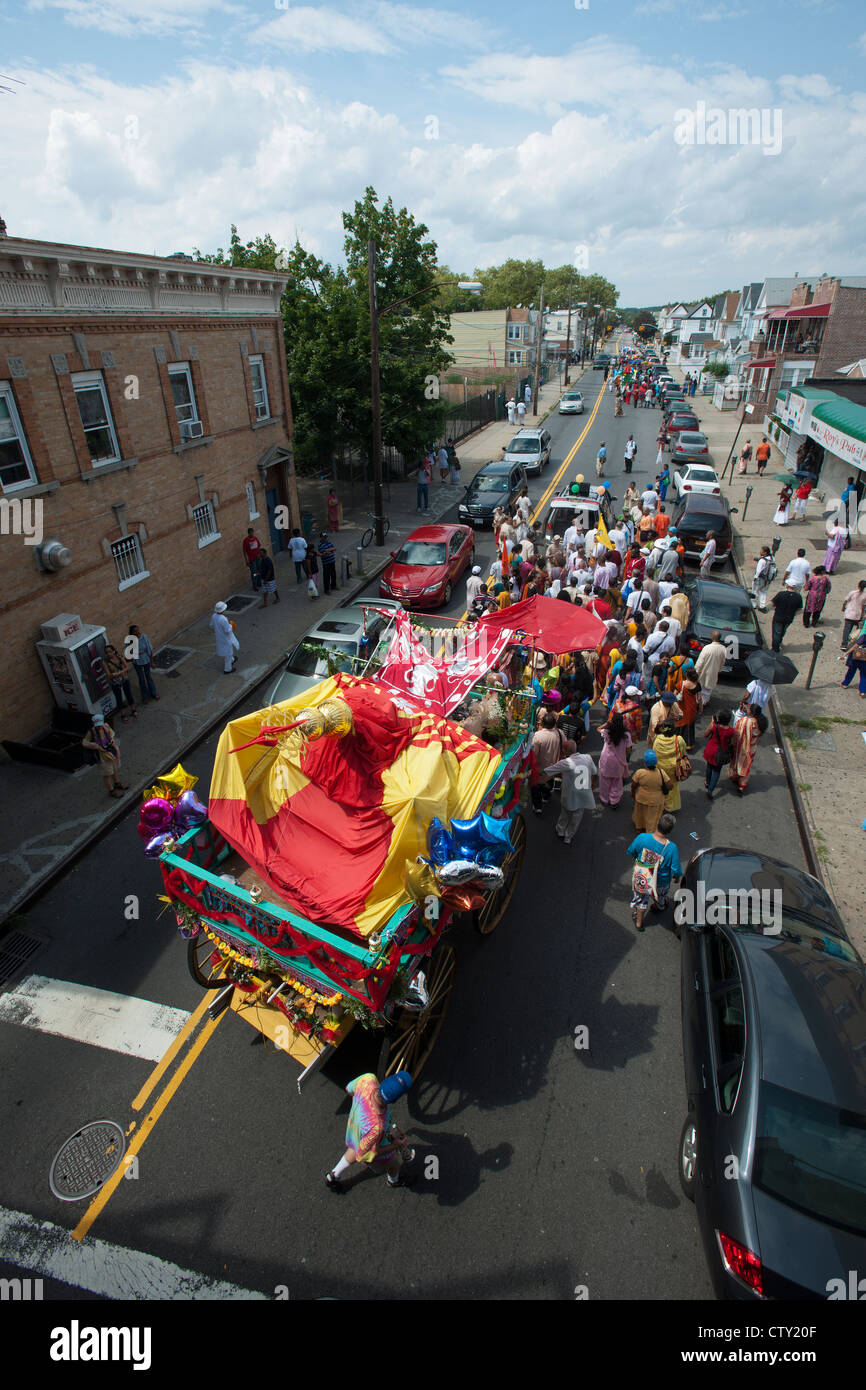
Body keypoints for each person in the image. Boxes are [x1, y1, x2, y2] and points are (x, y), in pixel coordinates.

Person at [325, 1071, 415, 1193]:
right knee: (395, 1162)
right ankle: (393, 1181)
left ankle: (334, 1175)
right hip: (370, 1142)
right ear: (394, 1100)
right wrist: (396, 1145)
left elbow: (348, 1089)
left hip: (355, 1130)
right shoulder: (376, 1127)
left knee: (355, 1147)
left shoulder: (368, 1080)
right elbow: (363, 1155)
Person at [627, 813, 682, 931]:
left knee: (641, 900)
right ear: (670, 831)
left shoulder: (642, 838)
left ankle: (639, 922)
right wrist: (677, 877)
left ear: (657, 823)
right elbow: (676, 869)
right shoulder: (671, 848)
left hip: (643, 878)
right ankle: (660, 905)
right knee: (660, 896)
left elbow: (631, 851)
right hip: (661, 882)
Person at [543, 730, 598, 845]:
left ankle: (560, 830)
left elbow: (548, 771)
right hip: (584, 793)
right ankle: (568, 836)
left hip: (569, 794)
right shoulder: (587, 758)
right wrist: (592, 784)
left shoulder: (566, 762)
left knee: (565, 813)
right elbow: (594, 772)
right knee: (576, 818)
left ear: (566, 751)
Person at [530, 711, 576, 815]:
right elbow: (564, 747)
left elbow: (534, 753)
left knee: (536, 786)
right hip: (554, 767)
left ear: (542, 724)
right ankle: (546, 797)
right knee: (548, 783)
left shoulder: (538, 735)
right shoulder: (560, 733)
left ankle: (538, 807)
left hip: (539, 768)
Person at [82, 715, 127, 798]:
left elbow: (111, 733)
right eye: (97, 725)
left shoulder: (106, 726)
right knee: (107, 773)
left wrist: (112, 740)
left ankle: (117, 783)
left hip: (110, 752)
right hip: (102, 755)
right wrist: (95, 746)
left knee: (114, 768)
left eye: (100, 724)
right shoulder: (91, 732)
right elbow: (84, 743)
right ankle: (111, 790)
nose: (99, 727)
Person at [630, 748, 673, 833]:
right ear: (656, 762)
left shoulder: (640, 772)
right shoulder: (661, 773)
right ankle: (650, 831)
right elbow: (670, 786)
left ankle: (639, 827)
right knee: (652, 817)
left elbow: (634, 785)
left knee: (640, 813)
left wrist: (632, 793)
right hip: (656, 801)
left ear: (645, 763)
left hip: (641, 798)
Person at [729, 704, 766, 794]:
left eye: (749, 709)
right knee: (746, 766)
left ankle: (736, 777)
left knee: (738, 761)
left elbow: (736, 731)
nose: (747, 710)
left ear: (751, 712)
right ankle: (742, 785)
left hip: (741, 747)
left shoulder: (745, 721)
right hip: (752, 748)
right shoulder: (761, 723)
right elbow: (758, 735)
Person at [652, 721, 688, 812]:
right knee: (673, 787)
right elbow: (683, 750)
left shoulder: (658, 740)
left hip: (661, 769)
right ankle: (670, 806)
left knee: (662, 786)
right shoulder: (679, 740)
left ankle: (661, 804)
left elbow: (655, 754)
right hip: (674, 769)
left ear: (663, 730)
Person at [598, 712, 632, 807]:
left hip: (606, 761)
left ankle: (604, 799)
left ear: (612, 721)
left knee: (605, 781)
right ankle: (614, 801)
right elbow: (629, 750)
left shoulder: (607, 731)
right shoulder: (626, 734)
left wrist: (607, 723)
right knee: (617, 782)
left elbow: (598, 728)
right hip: (619, 762)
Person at [100, 644, 138, 721]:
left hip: (124, 679)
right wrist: (118, 674)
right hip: (114, 682)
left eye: (110, 652)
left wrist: (118, 673)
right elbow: (109, 675)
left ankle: (133, 710)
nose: (108, 654)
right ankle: (123, 715)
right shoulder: (105, 662)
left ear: (114, 651)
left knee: (128, 694)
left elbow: (127, 667)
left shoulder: (119, 657)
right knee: (119, 698)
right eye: (106, 652)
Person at [703, 709, 735, 799]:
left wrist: (711, 722)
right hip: (721, 754)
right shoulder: (731, 731)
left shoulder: (713, 726)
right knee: (716, 772)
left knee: (709, 767)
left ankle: (707, 782)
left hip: (710, 751)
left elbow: (705, 735)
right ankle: (710, 790)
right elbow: (732, 743)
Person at [694, 630, 727, 708]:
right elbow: (722, 663)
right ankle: (703, 704)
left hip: (703, 673)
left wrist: (696, 672)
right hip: (713, 673)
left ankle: (698, 704)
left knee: (699, 689)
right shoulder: (723, 649)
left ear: (712, 637)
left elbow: (700, 663)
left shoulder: (707, 648)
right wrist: (718, 670)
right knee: (707, 691)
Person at [127, 625, 158, 702]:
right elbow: (128, 653)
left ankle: (154, 693)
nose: (137, 632)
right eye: (135, 631)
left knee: (148, 677)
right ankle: (145, 696)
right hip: (137, 662)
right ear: (131, 633)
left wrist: (152, 662)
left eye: (137, 630)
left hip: (145, 659)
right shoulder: (130, 640)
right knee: (141, 679)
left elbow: (149, 649)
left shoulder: (144, 637)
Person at [771, 583, 803, 651]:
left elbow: (772, 604)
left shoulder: (781, 594)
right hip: (789, 618)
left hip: (778, 617)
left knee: (776, 633)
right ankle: (779, 642)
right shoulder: (798, 597)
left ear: (787, 586)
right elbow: (799, 609)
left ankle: (775, 649)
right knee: (783, 631)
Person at [210, 600, 239, 673]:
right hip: (226, 638)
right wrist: (231, 625)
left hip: (219, 637)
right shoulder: (223, 619)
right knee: (228, 653)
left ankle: (232, 659)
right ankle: (227, 669)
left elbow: (211, 625)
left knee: (227, 651)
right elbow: (228, 630)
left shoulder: (214, 616)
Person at [841, 580, 866, 650]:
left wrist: (843, 607)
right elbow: (863, 606)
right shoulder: (865, 595)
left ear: (858, 585)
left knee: (847, 630)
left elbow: (845, 601)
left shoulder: (852, 592)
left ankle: (844, 645)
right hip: (858, 615)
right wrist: (861, 615)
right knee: (858, 630)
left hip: (849, 614)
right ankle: (857, 644)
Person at [840, 631, 866, 697]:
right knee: (864, 675)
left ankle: (845, 684)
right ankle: (862, 691)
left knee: (851, 671)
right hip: (865, 660)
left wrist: (845, 654)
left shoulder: (864, 636)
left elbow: (855, 646)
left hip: (856, 657)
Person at [752, 545, 774, 611]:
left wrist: (755, 578)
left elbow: (758, 571)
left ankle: (753, 605)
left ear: (765, 552)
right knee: (763, 592)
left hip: (760, 579)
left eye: (761, 551)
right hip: (768, 579)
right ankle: (762, 606)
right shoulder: (772, 558)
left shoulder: (762, 561)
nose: (760, 552)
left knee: (755, 591)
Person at [318, 531, 337, 596]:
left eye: (326, 537)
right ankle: (326, 590)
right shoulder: (320, 545)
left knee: (333, 574)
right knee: (326, 576)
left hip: (332, 561)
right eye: (324, 537)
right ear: (321, 538)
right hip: (326, 563)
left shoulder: (328, 542)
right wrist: (329, 550)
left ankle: (333, 585)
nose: (326, 538)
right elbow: (324, 553)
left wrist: (327, 550)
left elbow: (334, 548)